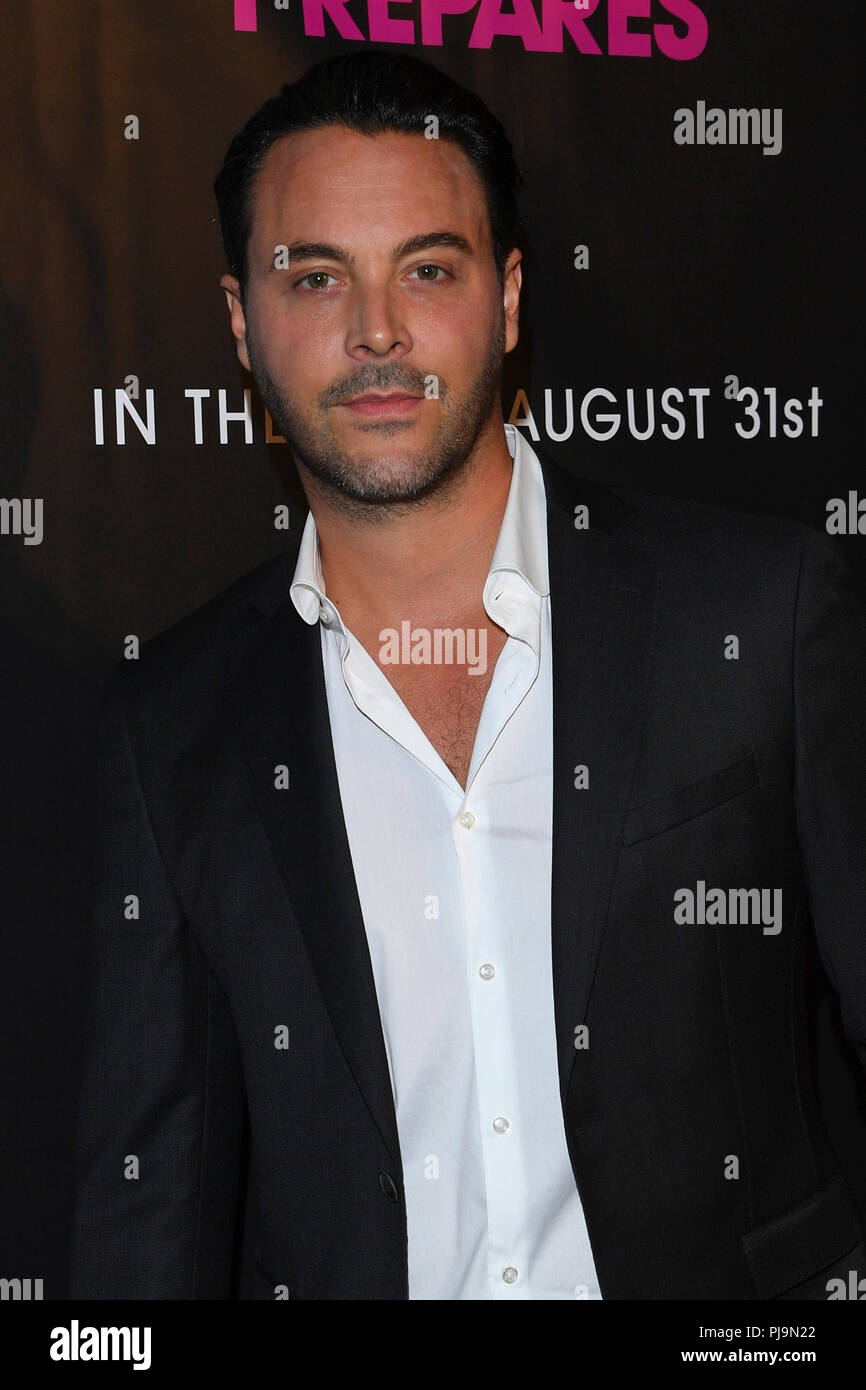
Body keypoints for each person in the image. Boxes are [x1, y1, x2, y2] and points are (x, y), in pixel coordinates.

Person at [69, 48, 866, 1301]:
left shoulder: (757, 613)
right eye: (315, 275)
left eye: (425, 269)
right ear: (239, 320)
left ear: (505, 300)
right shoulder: (171, 723)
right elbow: (145, 1215)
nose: (375, 329)